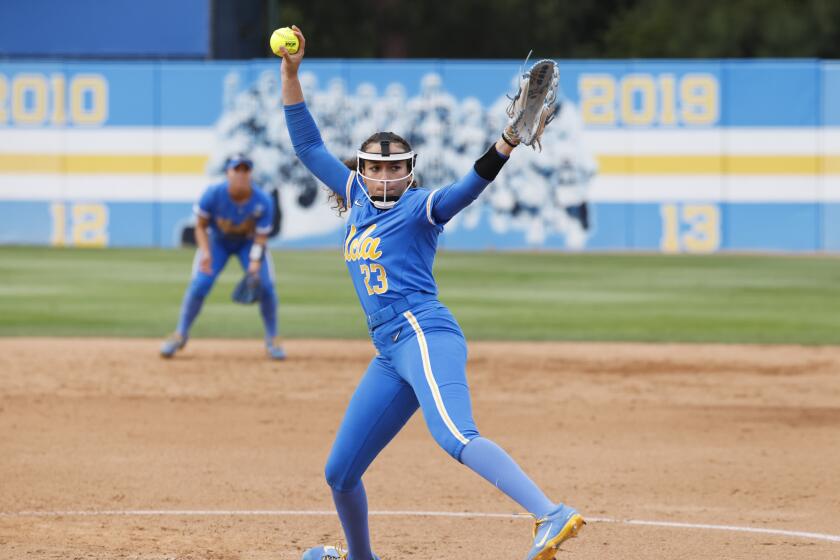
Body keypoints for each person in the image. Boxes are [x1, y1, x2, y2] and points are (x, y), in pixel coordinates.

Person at [279, 26, 583, 560]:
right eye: (374, 167)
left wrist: (505, 143)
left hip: (422, 331)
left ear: (409, 172)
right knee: (340, 472)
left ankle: (550, 514)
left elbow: (469, 188)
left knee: (454, 436)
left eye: (395, 167)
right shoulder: (353, 196)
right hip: (388, 351)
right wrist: (290, 73)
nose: (383, 175)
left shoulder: (419, 208)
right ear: (362, 170)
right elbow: (307, 143)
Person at [160, 154, 286, 360]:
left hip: (248, 243)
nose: (241, 174)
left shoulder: (263, 200)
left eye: (246, 170)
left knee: (265, 286)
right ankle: (179, 334)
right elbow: (200, 227)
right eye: (237, 169)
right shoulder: (213, 194)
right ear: (228, 172)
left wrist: (255, 262)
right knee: (201, 283)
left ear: (251, 174)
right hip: (217, 242)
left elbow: (261, 236)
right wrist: (206, 252)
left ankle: (273, 339)